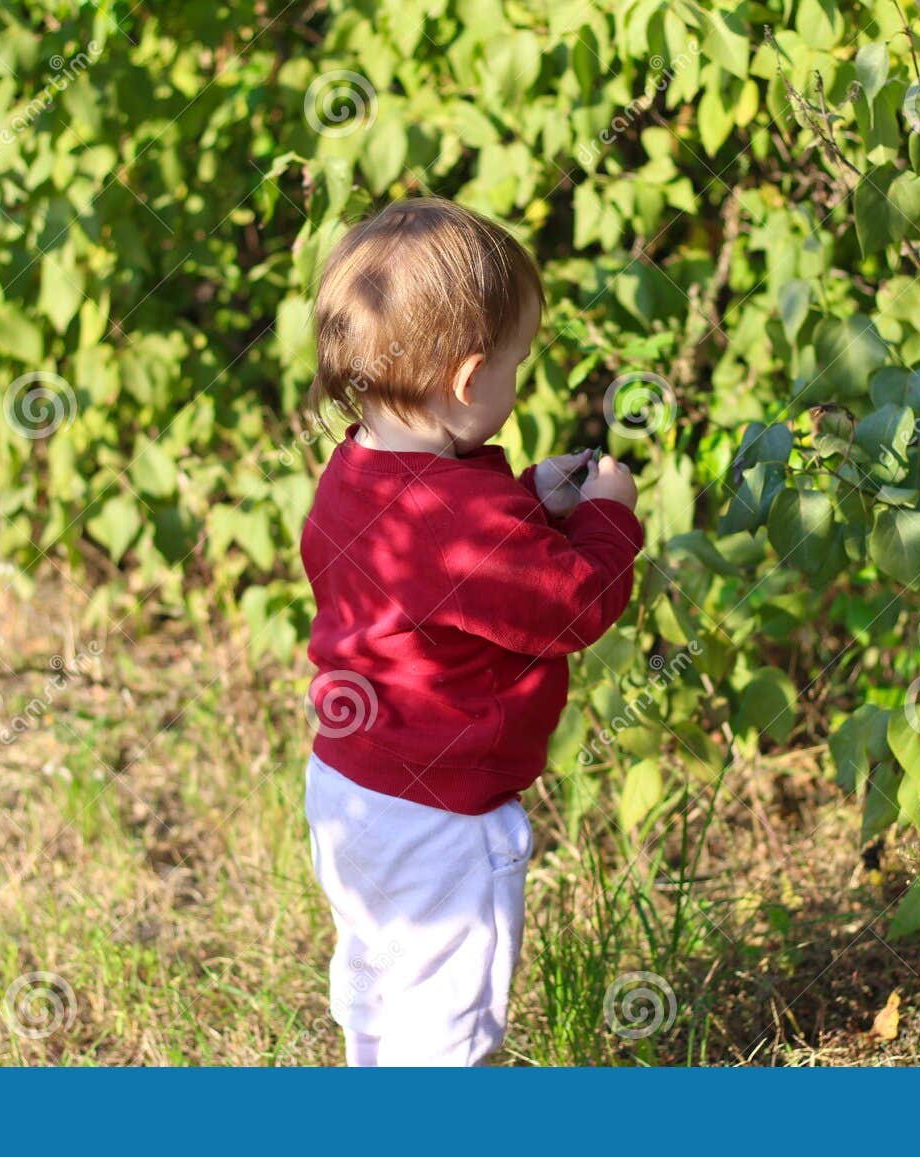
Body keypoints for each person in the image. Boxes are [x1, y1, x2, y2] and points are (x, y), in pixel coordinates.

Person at [299, 197, 644, 1065]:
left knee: (380, 987)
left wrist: (533, 503)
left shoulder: (353, 469)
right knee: (449, 1025)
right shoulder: (461, 523)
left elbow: (445, 567)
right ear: (468, 378)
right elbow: (570, 606)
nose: (517, 383)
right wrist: (607, 518)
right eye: (516, 365)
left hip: (348, 790)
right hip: (441, 820)